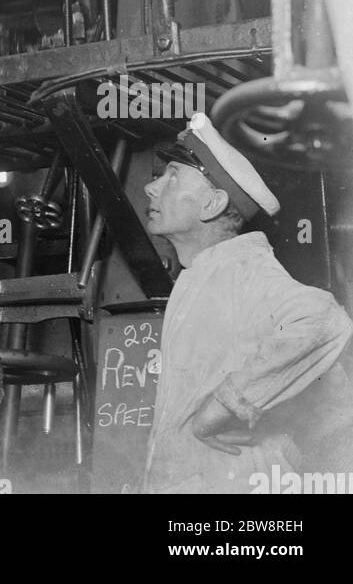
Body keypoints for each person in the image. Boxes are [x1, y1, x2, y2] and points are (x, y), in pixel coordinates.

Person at [142, 112, 353, 494]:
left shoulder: (242, 268)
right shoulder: (205, 273)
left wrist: (225, 406)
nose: (152, 189)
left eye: (172, 176)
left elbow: (324, 321)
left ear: (213, 205)